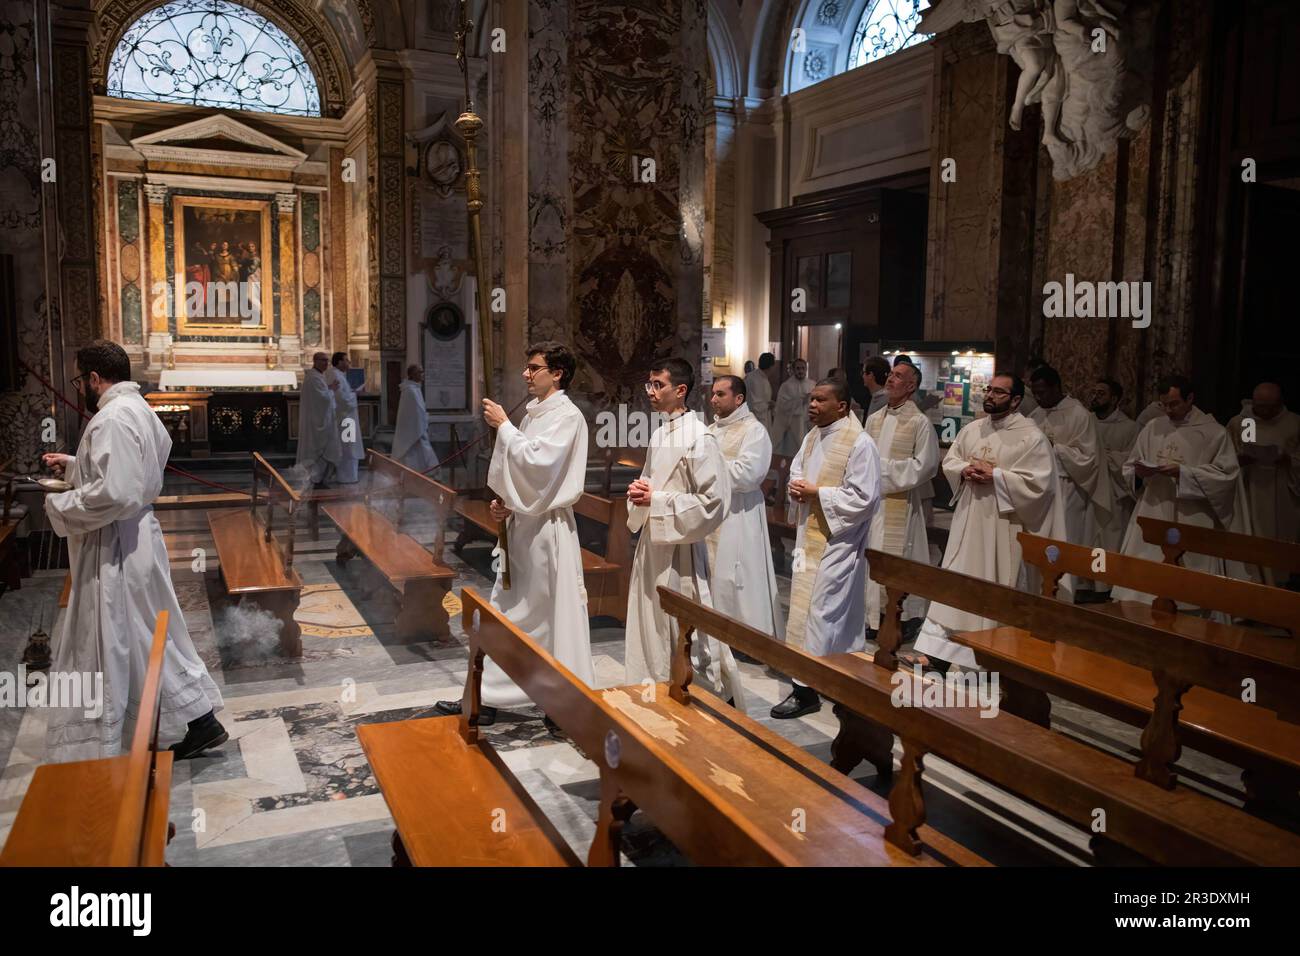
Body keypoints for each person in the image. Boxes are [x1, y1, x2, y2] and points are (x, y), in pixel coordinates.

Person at [41, 340, 225, 762]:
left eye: (79, 379)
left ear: (93, 377)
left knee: (125, 637)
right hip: (135, 538)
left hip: (117, 545)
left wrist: (59, 503)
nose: (80, 388)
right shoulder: (138, 410)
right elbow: (130, 471)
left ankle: (120, 733)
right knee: (146, 634)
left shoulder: (112, 418)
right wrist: (75, 465)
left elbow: (118, 493)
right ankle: (199, 720)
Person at [436, 342, 595, 726]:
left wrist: (504, 426)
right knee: (508, 613)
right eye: (527, 367)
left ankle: (561, 702)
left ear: (556, 374)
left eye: (533, 368)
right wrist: (506, 502)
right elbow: (521, 471)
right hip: (523, 528)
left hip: (548, 533)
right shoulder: (534, 414)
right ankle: (486, 695)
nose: (526, 374)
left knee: (546, 618)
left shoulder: (568, 417)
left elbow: (541, 465)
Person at [912, 372, 1068, 670]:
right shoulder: (973, 429)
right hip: (969, 518)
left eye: (999, 392)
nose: (990, 396)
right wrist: (965, 470)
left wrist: (996, 476)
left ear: (1016, 400)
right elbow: (952, 460)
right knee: (956, 580)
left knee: (993, 583)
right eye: (989, 390)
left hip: (1002, 524)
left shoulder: (1030, 437)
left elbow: (1040, 484)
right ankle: (938, 652)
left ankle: (983, 657)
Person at [624, 358, 741, 704]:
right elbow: (651, 479)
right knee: (649, 624)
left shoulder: (700, 437)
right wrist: (640, 491)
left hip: (681, 553)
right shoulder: (661, 433)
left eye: (658, 385)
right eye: (649, 385)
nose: (651, 392)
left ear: (681, 390)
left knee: (679, 630)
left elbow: (714, 501)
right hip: (652, 545)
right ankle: (650, 690)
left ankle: (690, 693)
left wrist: (656, 500)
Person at [772, 377, 881, 719]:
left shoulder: (860, 444)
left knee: (822, 611)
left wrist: (818, 493)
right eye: (811, 400)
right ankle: (832, 673)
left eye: (820, 400)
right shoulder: (813, 435)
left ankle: (807, 688)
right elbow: (798, 468)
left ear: (843, 406)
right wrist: (797, 486)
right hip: (812, 535)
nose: (812, 406)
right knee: (819, 611)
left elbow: (865, 498)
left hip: (840, 541)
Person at [1112, 375, 1256, 605]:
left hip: (1193, 513)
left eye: (1174, 404)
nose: (1168, 410)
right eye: (1164, 404)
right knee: (1143, 584)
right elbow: (1130, 466)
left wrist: (1185, 473)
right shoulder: (1153, 428)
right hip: (1154, 506)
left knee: (1190, 586)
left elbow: (1226, 476)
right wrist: (1139, 474)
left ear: (1190, 398)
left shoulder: (1213, 432)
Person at [707, 375, 782, 681]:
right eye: (712, 393)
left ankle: (749, 637)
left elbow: (749, 474)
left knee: (742, 575)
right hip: (715, 512)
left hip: (741, 512)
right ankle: (720, 630)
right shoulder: (711, 430)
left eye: (721, 394)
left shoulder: (755, 431)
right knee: (717, 573)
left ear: (738, 399)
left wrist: (709, 471)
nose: (714, 399)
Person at [864, 362, 939, 638]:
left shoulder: (919, 422)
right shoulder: (874, 419)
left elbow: (926, 465)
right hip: (873, 503)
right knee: (872, 556)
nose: (891, 379)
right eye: (891, 375)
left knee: (899, 556)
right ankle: (873, 615)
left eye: (898, 376)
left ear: (911, 386)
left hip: (902, 504)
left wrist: (882, 470)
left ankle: (902, 618)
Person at [1027, 365, 1112, 586]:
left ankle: (1063, 594)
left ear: (1056, 388)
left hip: (1067, 489)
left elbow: (1089, 459)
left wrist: (1055, 448)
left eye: (1042, 392)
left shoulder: (1079, 415)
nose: (1037, 397)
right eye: (1034, 392)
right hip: (1038, 489)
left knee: (1063, 541)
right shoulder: (1035, 415)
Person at [1228, 383, 1300, 578]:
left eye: (1267, 407)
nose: (1262, 411)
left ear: (1279, 404)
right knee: (1248, 543)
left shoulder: (1294, 424)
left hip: (1281, 495)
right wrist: (1241, 459)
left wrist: (1288, 459)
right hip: (1248, 490)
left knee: (1277, 548)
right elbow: (1231, 454)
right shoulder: (1244, 422)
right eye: (1258, 406)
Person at [1084, 377, 1139, 598]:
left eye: (1101, 393)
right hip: (1088, 491)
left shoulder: (1129, 427)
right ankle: (1085, 583)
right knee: (1087, 538)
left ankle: (1104, 586)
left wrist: (1104, 456)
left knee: (1108, 540)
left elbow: (1132, 461)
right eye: (1094, 392)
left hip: (1115, 496)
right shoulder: (1086, 422)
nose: (1095, 397)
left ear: (1115, 399)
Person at [296, 352, 341, 487]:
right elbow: (323, 399)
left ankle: (320, 479)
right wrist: (331, 389)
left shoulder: (317, 376)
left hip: (319, 418)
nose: (326, 363)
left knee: (325, 449)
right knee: (318, 449)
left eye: (327, 361)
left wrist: (328, 389)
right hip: (316, 422)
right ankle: (316, 480)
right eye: (323, 360)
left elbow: (322, 395)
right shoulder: (313, 378)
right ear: (315, 361)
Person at [392, 364, 439, 472]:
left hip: (417, 430)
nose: (423, 374)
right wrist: (425, 419)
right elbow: (417, 413)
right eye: (420, 372)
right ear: (413, 375)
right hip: (415, 432)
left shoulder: (413, 388)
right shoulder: (410, 391)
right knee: (416, 459)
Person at [327, 352, 364, 484]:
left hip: (347, 418)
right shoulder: (335, 375)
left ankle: (348, 475)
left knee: (349, 445)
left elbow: (343, 394)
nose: (348, 362)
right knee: (348, 447)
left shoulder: (339, 375)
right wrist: (355, 395)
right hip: (346, 419)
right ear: (339, 362)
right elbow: (341, 399)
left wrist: (352, 393)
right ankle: (346, 476)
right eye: (346, 360)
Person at [772, 358, 813, 456]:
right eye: (798, 368)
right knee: (792, 455)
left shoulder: (812, 385)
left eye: (803, 368)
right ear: (793, 370)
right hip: (791, 427)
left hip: (808, 426)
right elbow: (782, 406)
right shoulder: (786, 386)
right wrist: (800, 401)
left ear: (806, 369)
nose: (801, 371)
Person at [745, 353, 776, 432]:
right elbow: (755, 404)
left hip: (763, 416)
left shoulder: (760, 377)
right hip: (756, 419)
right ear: (771, 366)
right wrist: (769, 405)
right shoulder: (755, 379)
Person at [862, 356, 891, 420]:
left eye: (864, 372)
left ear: (871, 375)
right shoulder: (876, 396)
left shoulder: (886, 401)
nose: (862, 376)